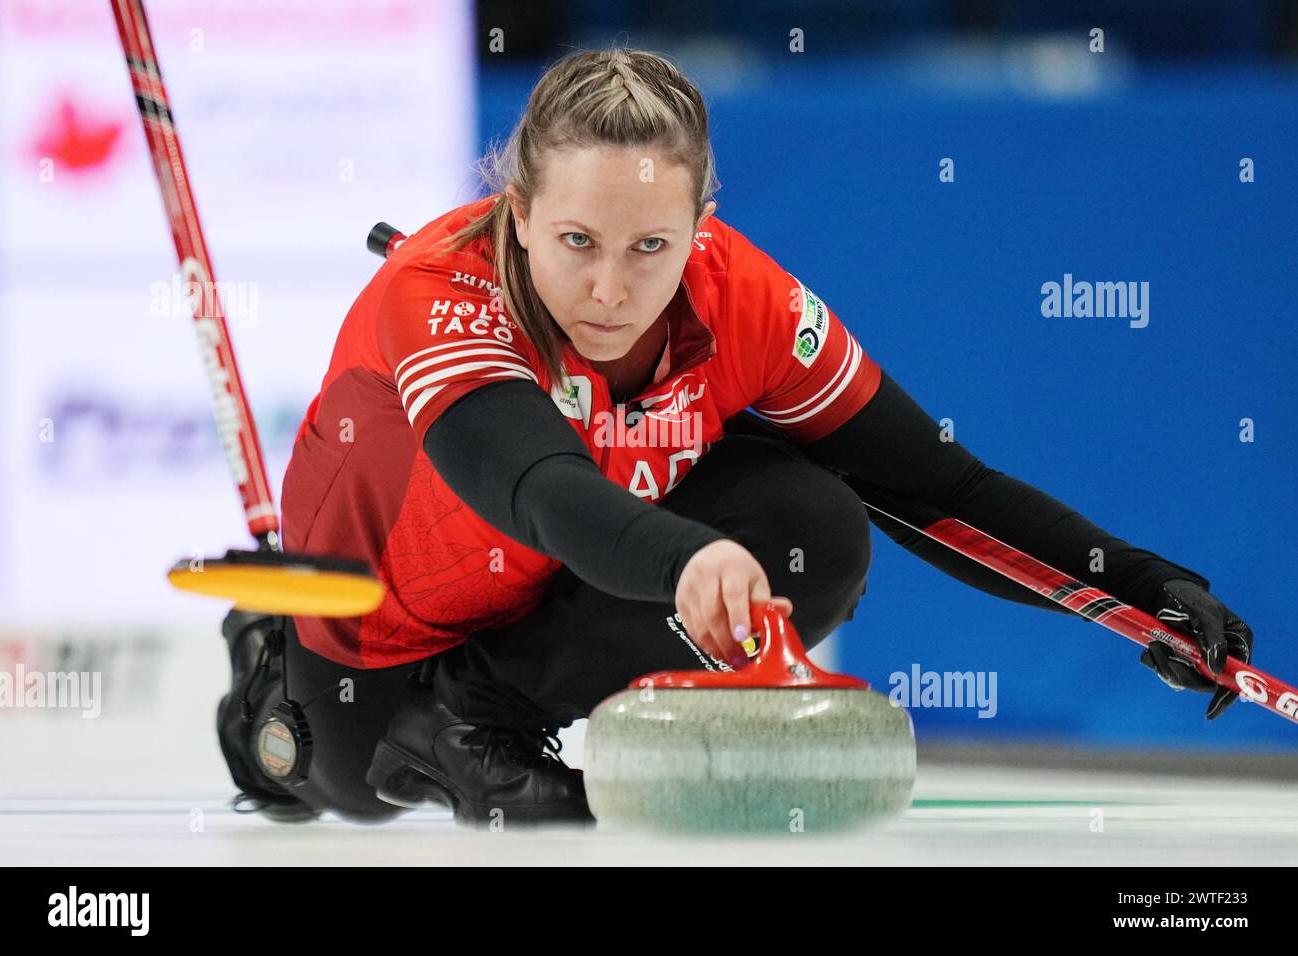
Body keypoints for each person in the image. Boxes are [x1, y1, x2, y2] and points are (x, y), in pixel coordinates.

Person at [216, 47, 1254, 827]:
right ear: (518, 210)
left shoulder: (742, 297)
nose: (613, 289)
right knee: (325, 772)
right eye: (575, 241)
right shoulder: (441, 293)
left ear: (701, 220)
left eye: (651, 245)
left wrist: (1139, 586)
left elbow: (940, 490)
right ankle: (273, 665)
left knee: (817, 524)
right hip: (384, 621)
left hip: (541, 602)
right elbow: (540, 487)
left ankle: (478, 708)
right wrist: (692, 555)